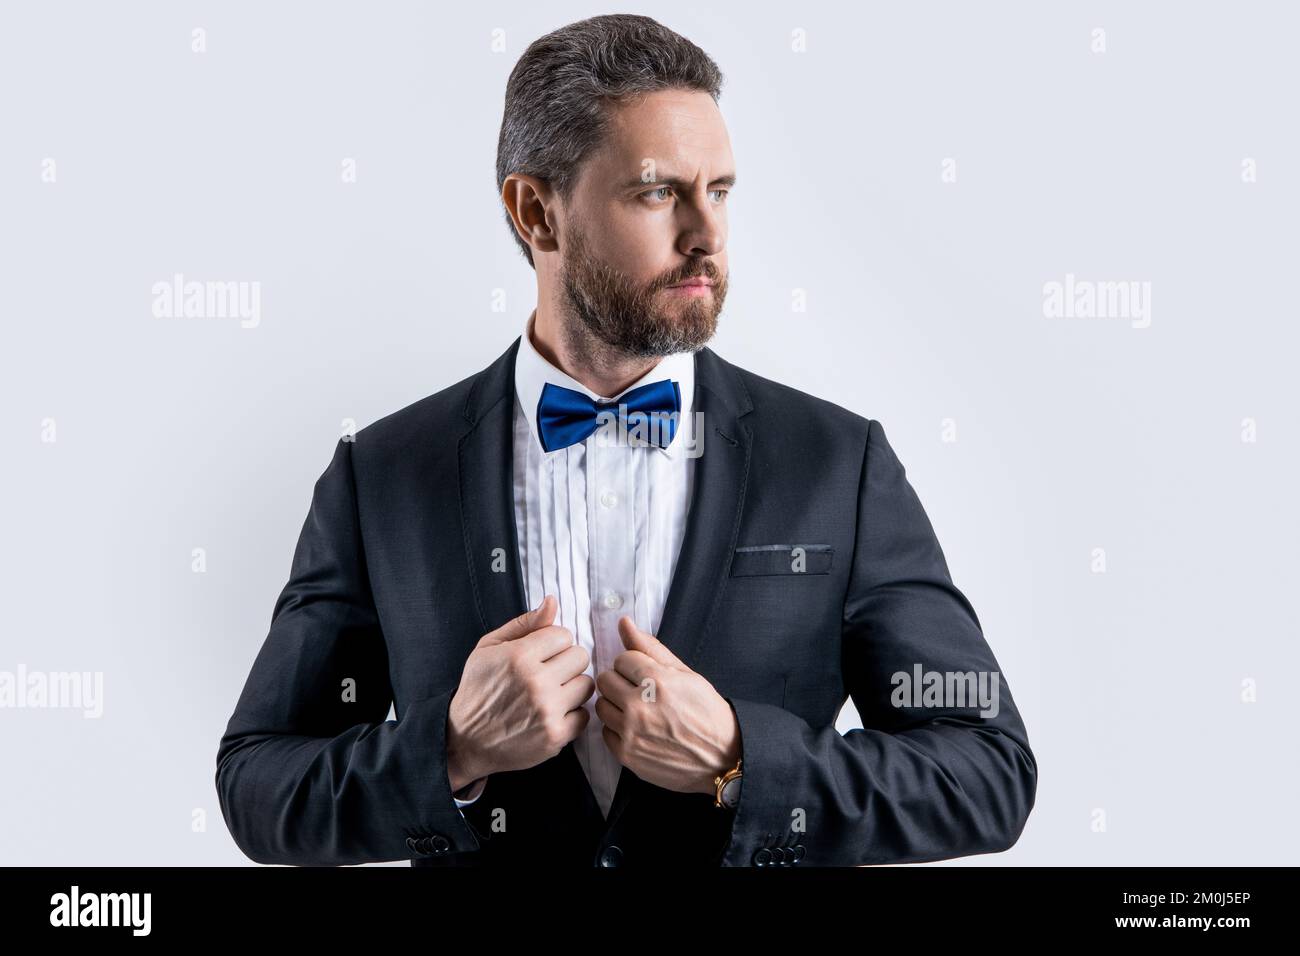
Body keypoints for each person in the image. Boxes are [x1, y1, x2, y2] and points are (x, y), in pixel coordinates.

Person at [215, 13, 1036, 867]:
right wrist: (451, 748)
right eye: (657, 193)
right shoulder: (382, 477)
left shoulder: (838, 464)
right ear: (537, 212)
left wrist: (741, 759)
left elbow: (988, 771)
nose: (706, 235)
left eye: (718, 190)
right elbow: (259, 784)